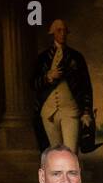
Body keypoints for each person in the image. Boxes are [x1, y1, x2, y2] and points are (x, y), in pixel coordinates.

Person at [32, 19, 95, 155]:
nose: (62, 34)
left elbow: (86, 86)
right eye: (59, 30)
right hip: (48, 112)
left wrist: (86, 111)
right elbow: (33, 84)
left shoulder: (76, 57)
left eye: (65, 31)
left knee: (71, 155)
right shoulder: (43, 58)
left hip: (70, 111)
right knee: (54, 157)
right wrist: (48, 77)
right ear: (52, 33)